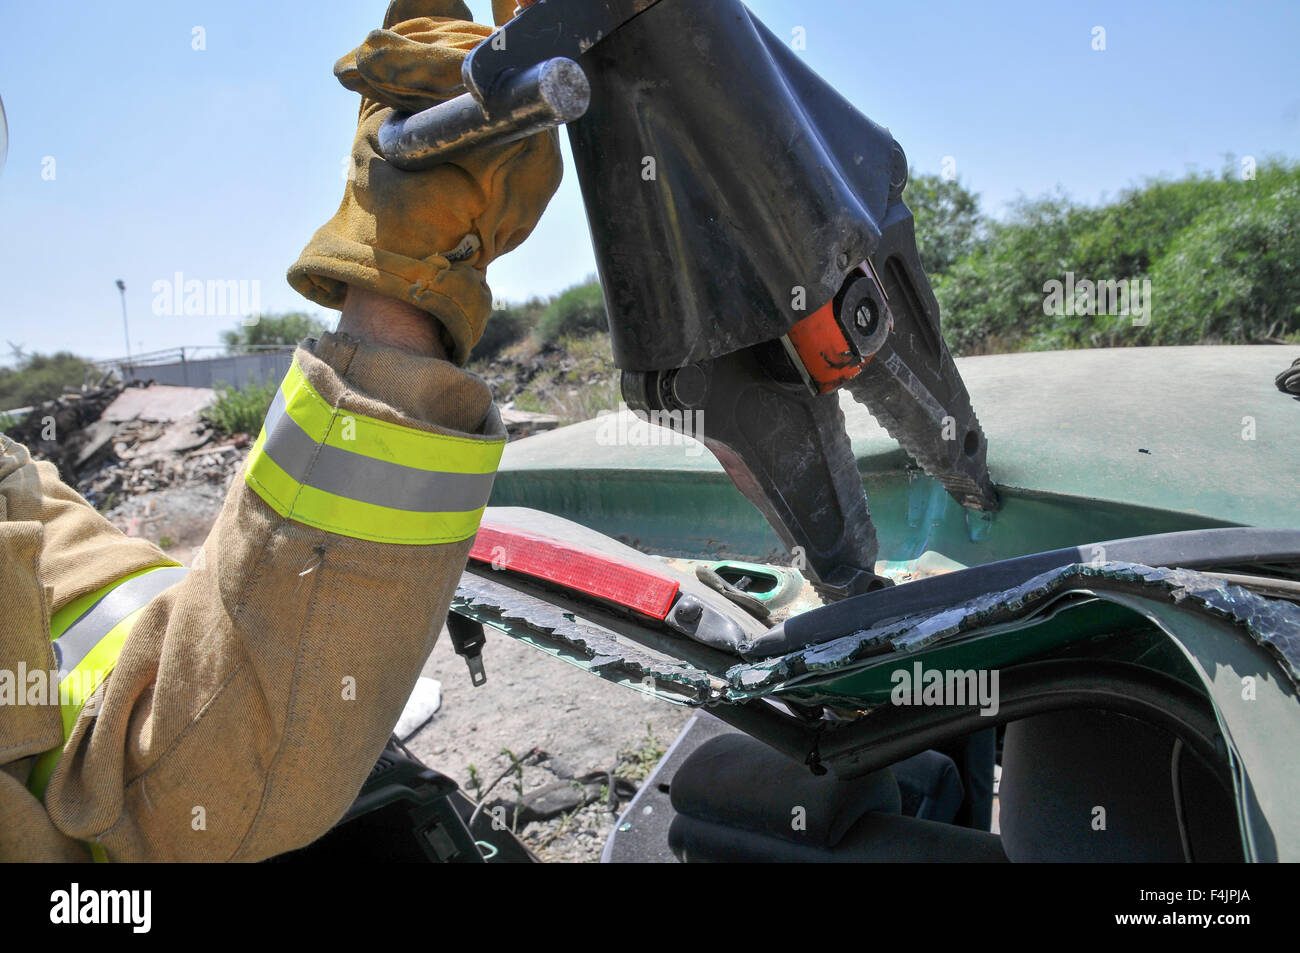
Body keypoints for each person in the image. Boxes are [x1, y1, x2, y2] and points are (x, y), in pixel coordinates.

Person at [0, 0, 560, 861]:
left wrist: (408, 269)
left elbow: (177, 732)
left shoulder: (15, 487)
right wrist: (401, 287)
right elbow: (195, 805)